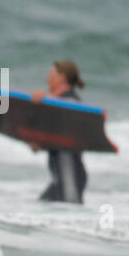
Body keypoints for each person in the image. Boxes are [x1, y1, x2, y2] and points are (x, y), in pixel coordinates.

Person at [28, 59, 87, 203]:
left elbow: (72, 109)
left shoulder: (72, 101)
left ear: (62, 78)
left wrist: (46, 97)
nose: (47, 79)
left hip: (70, 173)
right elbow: (58, 135)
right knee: (42, 207)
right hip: (59, 175)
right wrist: (39, 143)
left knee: (70, 216)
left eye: (51, 75)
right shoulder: (54, 106)